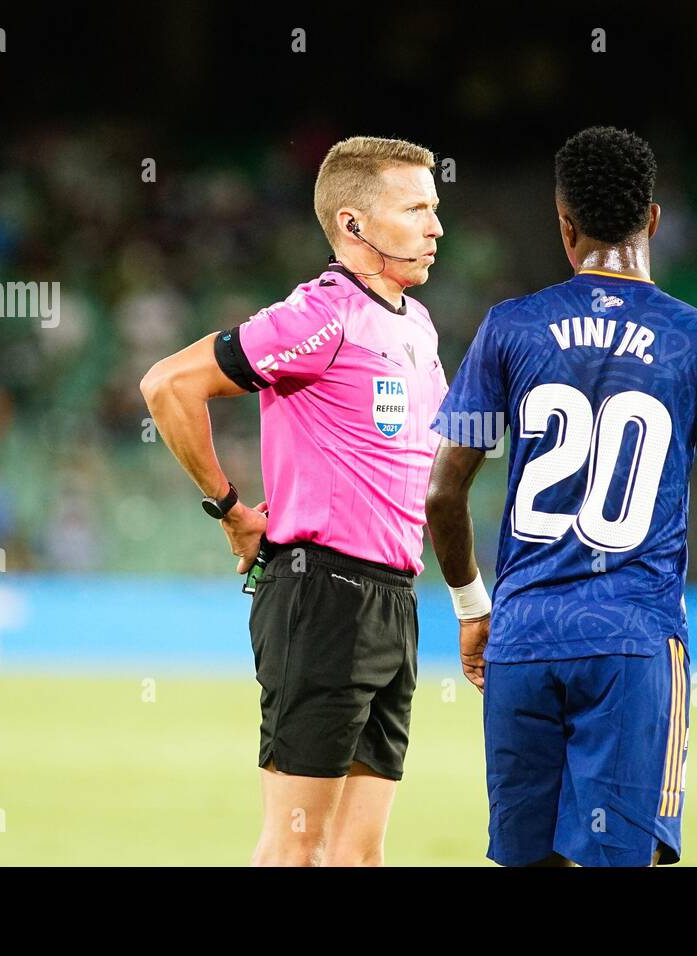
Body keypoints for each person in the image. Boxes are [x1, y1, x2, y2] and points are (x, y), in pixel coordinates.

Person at [425, 126, 697, 867]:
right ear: (653, 218)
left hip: (523, 639)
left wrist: (473, 609)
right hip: (633, 643)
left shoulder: (508, 327)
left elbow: (442, 495)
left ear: (564, 223)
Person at [140, 136, 446, 866]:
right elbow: (169, 386)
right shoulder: (322, 313)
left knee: (357, 856)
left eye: (435, 209)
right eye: (416, 209)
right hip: (324, 595)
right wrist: (230, 509)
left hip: (396, 599)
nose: (437, 227)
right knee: (295, 851)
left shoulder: (418, 326)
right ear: (354, 225)